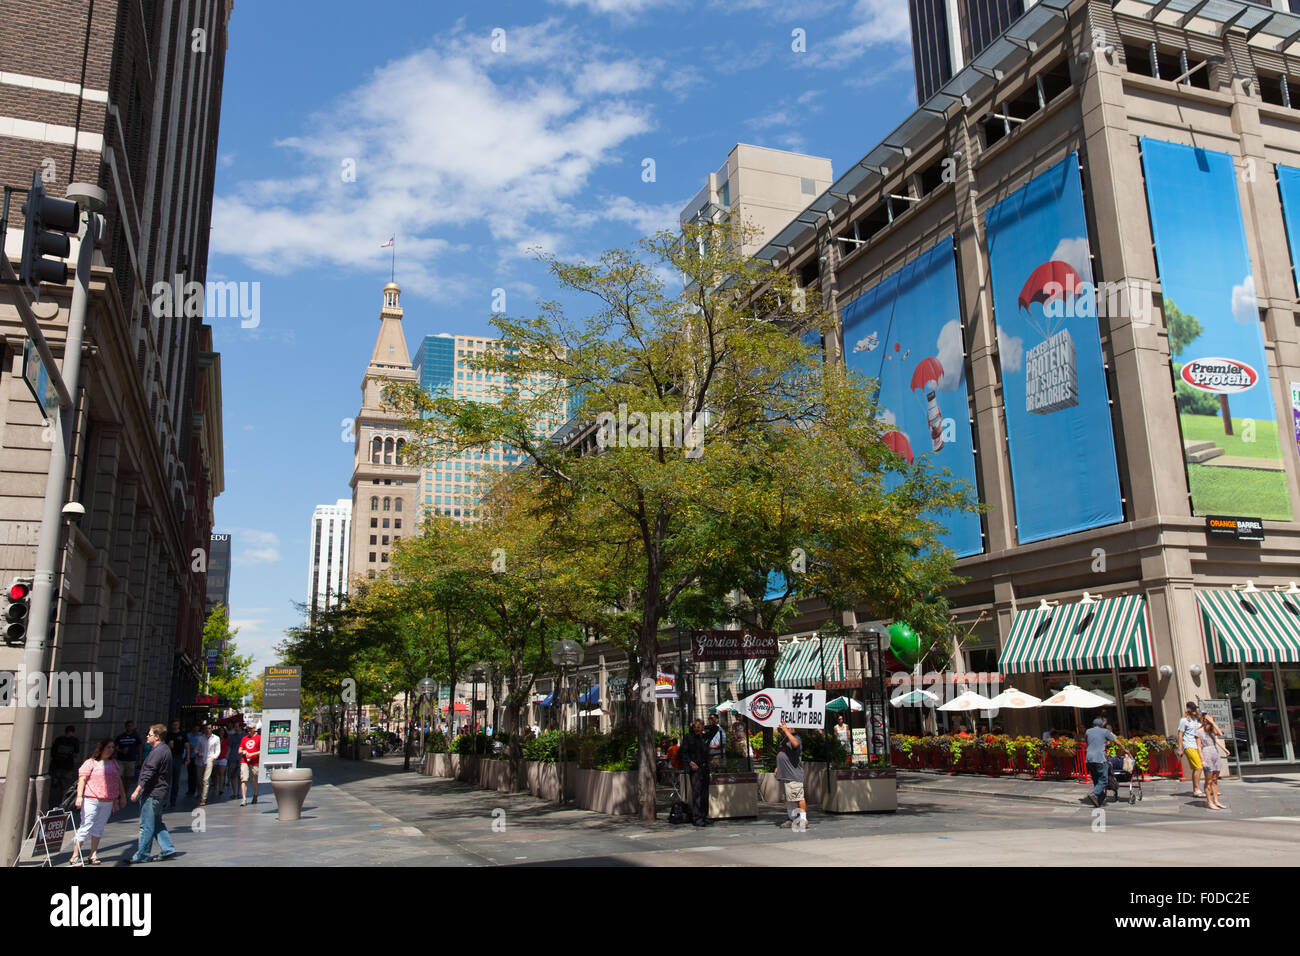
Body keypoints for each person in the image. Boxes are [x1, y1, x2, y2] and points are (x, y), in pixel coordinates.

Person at [72, 738, 126, 866]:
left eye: (113, 747)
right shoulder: (90, 763)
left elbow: (118, 781)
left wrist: (123, 796)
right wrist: (79, 797)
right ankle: (75, 855)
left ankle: (93, 854)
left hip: (107, 800)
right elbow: (82, 780)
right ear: (101, 748)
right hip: (91, 799)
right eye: (108, 747)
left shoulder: (114, 763)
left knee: (99, 827)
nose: (111, 750)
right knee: (86, 825)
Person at [129, 724, 176, 863]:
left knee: (146, 826)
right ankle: (168, 848)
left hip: (152, 793)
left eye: (149, 734)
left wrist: (137, 790)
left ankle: (142, 855)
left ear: (156, 737)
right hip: (160, 793)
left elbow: (149, 772)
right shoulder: (164, 749)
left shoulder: (158, 752)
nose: (146, 737)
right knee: (156, 822)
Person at [1084, 716, 1128, 808]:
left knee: (1096, 779)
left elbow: (1088, 743)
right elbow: (1116, 741)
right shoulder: (1105, 732)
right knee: (1104, 779)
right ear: (1101, 725)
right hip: (1099, 758)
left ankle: (1101, 799)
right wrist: (1124, 749)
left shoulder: (1088, 731)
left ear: (1093, 725)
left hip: (1089, 758)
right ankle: (1094, 794)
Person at [776, 720, 807, 830]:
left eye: (785, 727)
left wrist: (786, 731)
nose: (782, 729)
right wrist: (777, 767)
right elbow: (782, 753)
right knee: (789, 799)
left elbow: (795, 744)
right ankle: (792, 818)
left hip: (794, 775)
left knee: (799, 797)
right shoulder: (784, 739)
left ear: (791, 728)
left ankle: (803, 819)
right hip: (785, 775)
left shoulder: (795, 737)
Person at [682, 720, 711, 826]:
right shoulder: (688, 738)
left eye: (699, 727)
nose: (697, 729)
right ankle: (697, 817)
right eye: (695, 727)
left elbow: (715, 729)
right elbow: (683, 753)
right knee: (697, 793)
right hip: (695, 769)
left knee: (705, 793)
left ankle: (705, 816)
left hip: (704, 768)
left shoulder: (704, 738)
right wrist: (690, 763)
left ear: (703, 727)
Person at [1197, 711, 1228, 810]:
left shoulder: (1211, 730)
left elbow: (1220, 735)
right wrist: (1202, 760)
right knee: (1209, 780)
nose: (1206, 721)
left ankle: (1216, 801)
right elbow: (1199, 747)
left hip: (1215, 753)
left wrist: (1224, 749)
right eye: (1205, 719)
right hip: (1206, 753)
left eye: (1208, 719)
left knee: (1215, 779)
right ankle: (1209, 802)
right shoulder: (1199, 731)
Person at [1177, 702, 1204, 798]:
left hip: (1198, 746)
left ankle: (1197, 788)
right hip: (1188, 745)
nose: (1194, 710)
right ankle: (1196, 789)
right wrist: (1180, 748)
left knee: (1197, 767)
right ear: (1188, 709)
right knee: (1198, 766)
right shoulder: (1184, 720)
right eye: (1192, 709)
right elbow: (1180, 734)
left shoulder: (1197, 719)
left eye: (1194, 709)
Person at [50, 725, 81, 805]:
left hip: (56, 765)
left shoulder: (58, 740)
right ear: (73, 732)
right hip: (67, 766)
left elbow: (52, 753)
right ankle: (62, 804)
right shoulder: (75, 741)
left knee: (55, 786)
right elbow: (76, 755)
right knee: (65, 786)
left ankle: (53, 803)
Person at [164, 720, 187, 809]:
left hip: (178, 757)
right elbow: (164, 746)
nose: (175, 726)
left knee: (176, 781)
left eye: (176, 725)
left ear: (179, 725)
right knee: (166, 780)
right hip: (169, 757)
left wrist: (187, 757)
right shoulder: (168, 735)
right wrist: (169, 746)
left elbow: (187, 745)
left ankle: (173, 800)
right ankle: (164, 800)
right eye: (173, 724)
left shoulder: (182, 734)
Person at [114, 720, 141, 794]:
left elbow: (140, 746)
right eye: (128, 726)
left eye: (131, 726)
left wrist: (139, 758)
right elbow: (114, 746)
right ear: (125, 727)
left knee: (128, 777)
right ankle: (119, 792)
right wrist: (120, 750)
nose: (129, 727)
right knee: (119, 776)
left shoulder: (135, 736)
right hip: (121, 759)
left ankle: (125, 793)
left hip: (131, 760)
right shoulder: (120, 736)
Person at [240, 724, 261, 806]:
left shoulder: (259, 738)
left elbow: (262, 751)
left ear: (254, 729)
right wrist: (243, 751)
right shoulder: (244, 738)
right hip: (244, 761)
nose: (248, 730)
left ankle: (255, 794)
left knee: (254, 780)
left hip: (255, 762)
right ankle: (244, 799)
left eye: (250, 728)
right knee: (243, 779)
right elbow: (239, 750)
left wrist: (252, 754)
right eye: (247, 729)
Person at [200, 723, 220, 806]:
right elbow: (197, 749)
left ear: (212, 729)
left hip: (210, 760)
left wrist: (214, 757)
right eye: (206, 728)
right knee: (199, 779)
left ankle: (203, 798)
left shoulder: (216, 738)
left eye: (209, 728)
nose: (207, 730)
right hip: (201, 760)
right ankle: (200, 792)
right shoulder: (200, 738)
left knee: (205, 779)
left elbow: (218, 750)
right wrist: (198, 753)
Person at [226, 724, 245, 796]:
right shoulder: (232, 737)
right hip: (233, 757)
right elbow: (229, 747)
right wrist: (227, 756)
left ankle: (239, 792)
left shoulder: (244, 735)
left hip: (241, 758)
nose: (235, 728)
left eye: (236, 726)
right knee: (233, 775)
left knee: (240, 776)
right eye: (235, 727)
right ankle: (234, 792)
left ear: (240, 727)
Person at [186, 723, 203, 797]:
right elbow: (187, 745)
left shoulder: (201, 736)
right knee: (190, 774)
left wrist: (194, 747)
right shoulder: (189, 735)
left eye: (197, 727)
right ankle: (191, 790)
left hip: (198, 757)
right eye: (195, 727)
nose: (196, 729)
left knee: (197, 775)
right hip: (190, 756)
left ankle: (198, 790)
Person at [213, 727, 229, 798]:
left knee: (221, 774)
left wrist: (226, 755)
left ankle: (220, 789)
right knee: (215, 774)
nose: (221, 732)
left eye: (223, 731)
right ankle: (215, 788)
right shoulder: (215, 739)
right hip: (216, 757)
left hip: (223, 758)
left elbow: (229, 748)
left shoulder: (227, 739)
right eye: (220, 731)